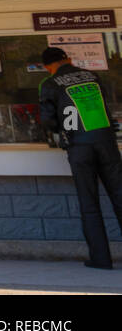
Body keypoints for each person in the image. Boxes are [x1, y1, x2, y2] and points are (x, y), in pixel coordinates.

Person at [38, 46, 122, 269]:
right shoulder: (92, 76)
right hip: (106, 141)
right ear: (68, 59)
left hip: (79, 145)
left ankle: (101, 259)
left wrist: (61, 129)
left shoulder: (50, 84)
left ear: (48, 66)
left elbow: (48, 120)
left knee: (89, 203)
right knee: (120, 196)